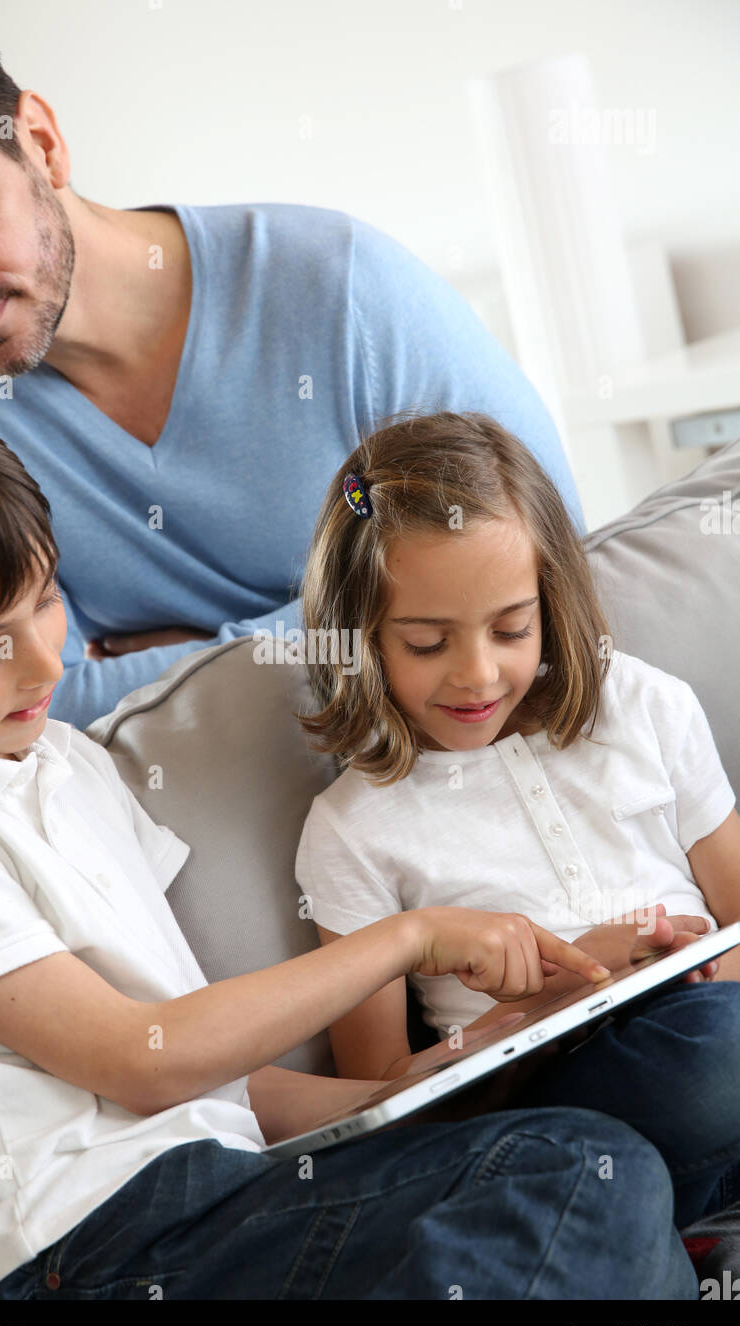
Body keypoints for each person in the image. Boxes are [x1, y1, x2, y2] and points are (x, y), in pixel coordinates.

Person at [0, 386, 702, 1301]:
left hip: (220, 1199)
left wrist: (457, 1072)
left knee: (581, 1166)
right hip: (79, 1253)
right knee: (573, 1184)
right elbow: (144, 1059)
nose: (42, 664)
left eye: (45, 600)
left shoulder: (60, 762)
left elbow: (224, 1082)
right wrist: (412, 936)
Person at [0, 0, 585, 731]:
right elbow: (26, 707)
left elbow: (554, 572)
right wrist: (367, 620)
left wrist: (197, 662)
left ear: (43, 143)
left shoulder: (337, 288)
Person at [293, 408, 740, 1234]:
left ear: (551, 604)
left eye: (510, 629)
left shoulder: (642, 706)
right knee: (713, 1063)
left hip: (710, 1012)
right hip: (552, 1099)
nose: (477, 674)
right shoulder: (351, 829)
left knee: (719, 1036)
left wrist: (695, 965)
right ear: (360, 640)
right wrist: (563, 992)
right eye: (427, 643)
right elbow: (391, 1098)